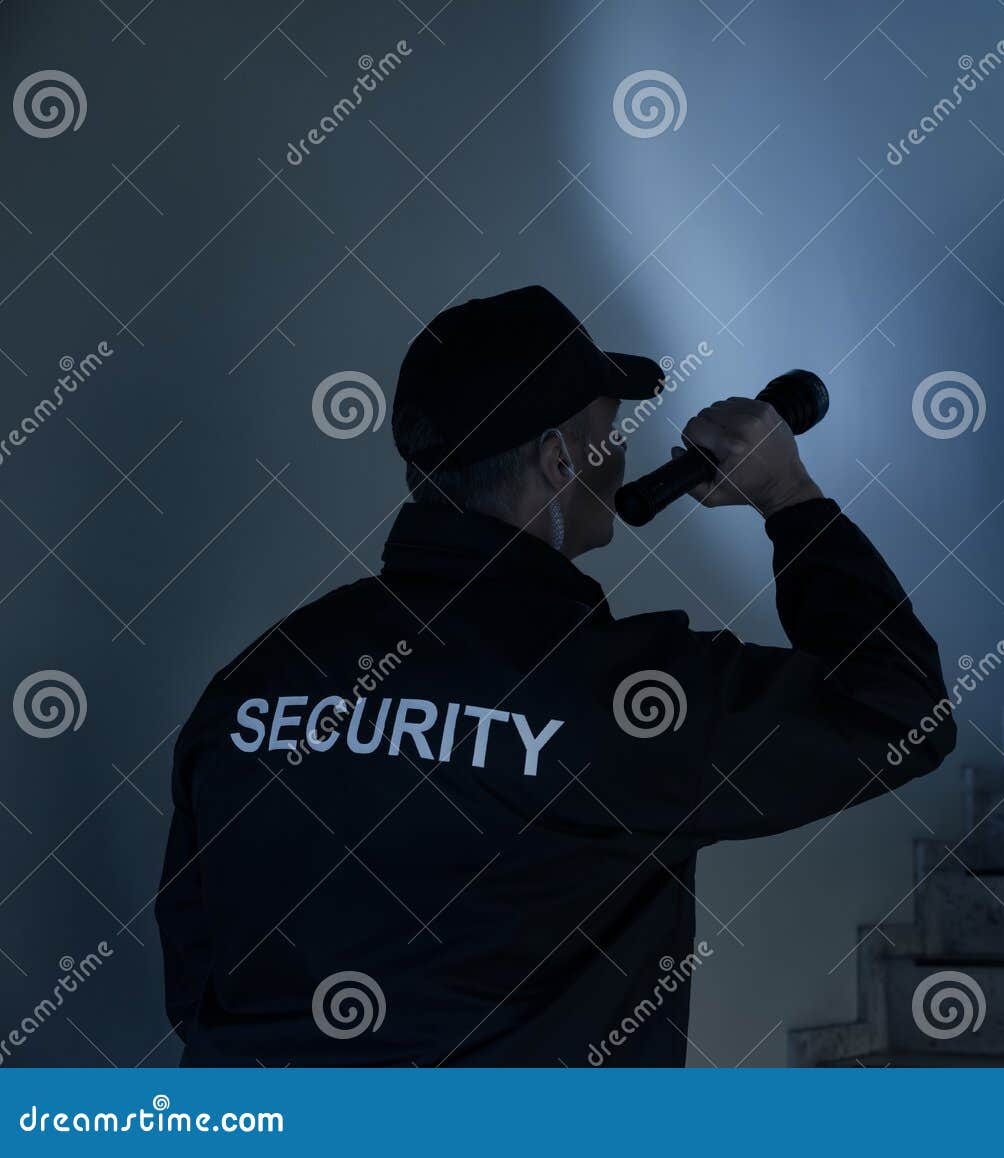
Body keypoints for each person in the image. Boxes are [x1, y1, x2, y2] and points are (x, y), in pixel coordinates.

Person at [156, 284, 956, 1065]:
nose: (627, 457)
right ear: (557, 461)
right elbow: (899, 708)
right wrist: (790, 498)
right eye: (611, 434)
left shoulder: (258, 679)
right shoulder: (624, 698)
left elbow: (196, 972)